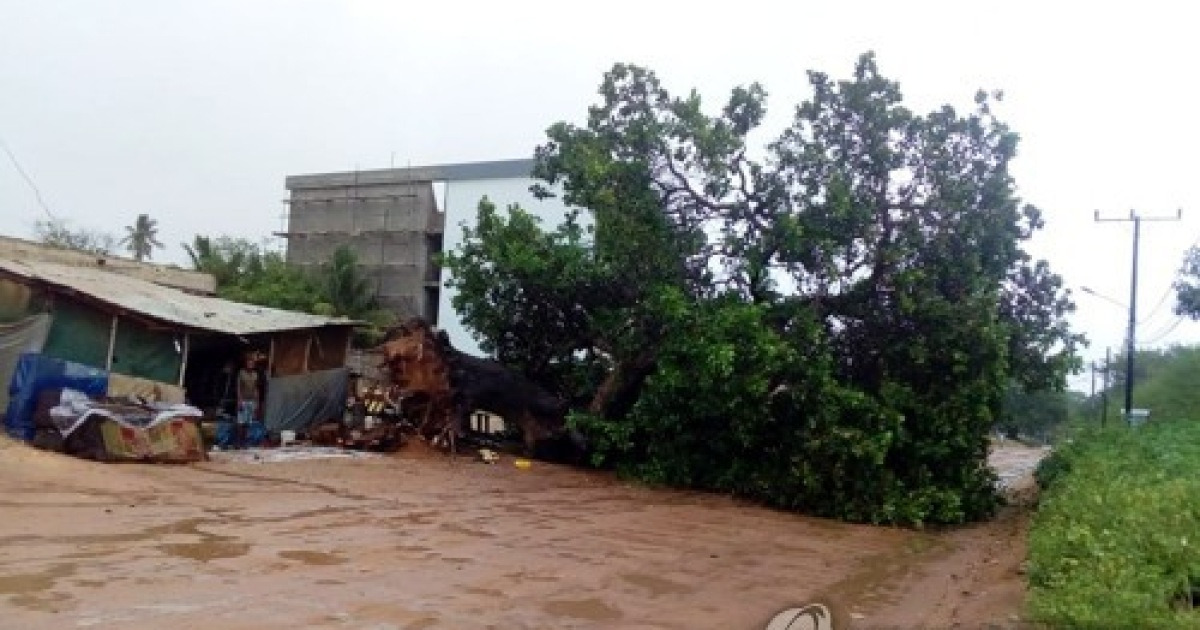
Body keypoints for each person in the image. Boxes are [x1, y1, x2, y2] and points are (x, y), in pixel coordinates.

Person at [236, 355, 261, 448]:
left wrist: (257, 402)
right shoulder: (241, 373)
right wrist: (239, 401)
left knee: (248, 423)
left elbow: (256, 388)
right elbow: (239, 387)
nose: (250, 364)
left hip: (252, 401)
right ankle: (238, 442)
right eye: (249, 363)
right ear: (246, 364)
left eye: (252, 363)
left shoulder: (255, 374)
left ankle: (244, 443)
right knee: (240, 422)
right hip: (243, 400)